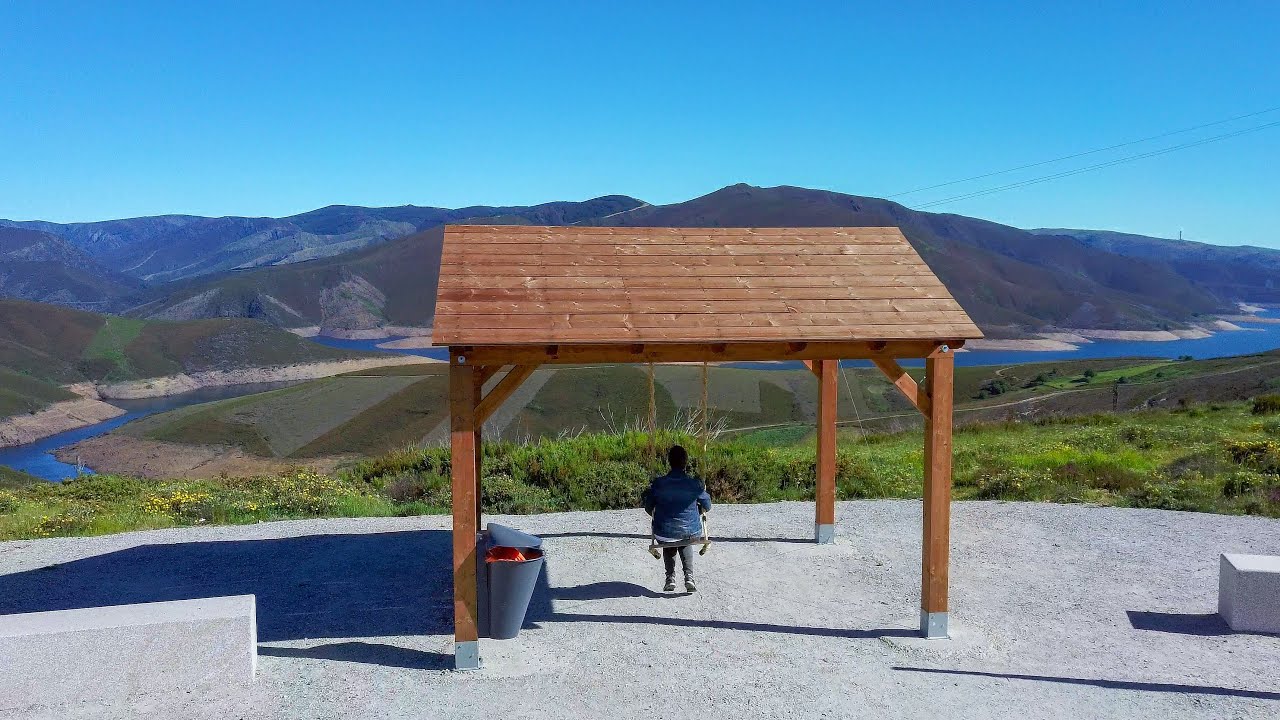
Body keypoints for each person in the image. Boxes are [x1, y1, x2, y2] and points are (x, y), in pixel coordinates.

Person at [642, 445, 712, 592]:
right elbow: (707, 505)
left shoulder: (659, 484)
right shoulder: (694, 484)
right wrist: (697, 510)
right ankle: (689, 577)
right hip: (690, 533)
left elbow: (649, 508)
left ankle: (670, 578)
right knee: (683, 540)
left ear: (669, 461)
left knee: (670, 539)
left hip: (664, 532)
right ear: (685, 462)